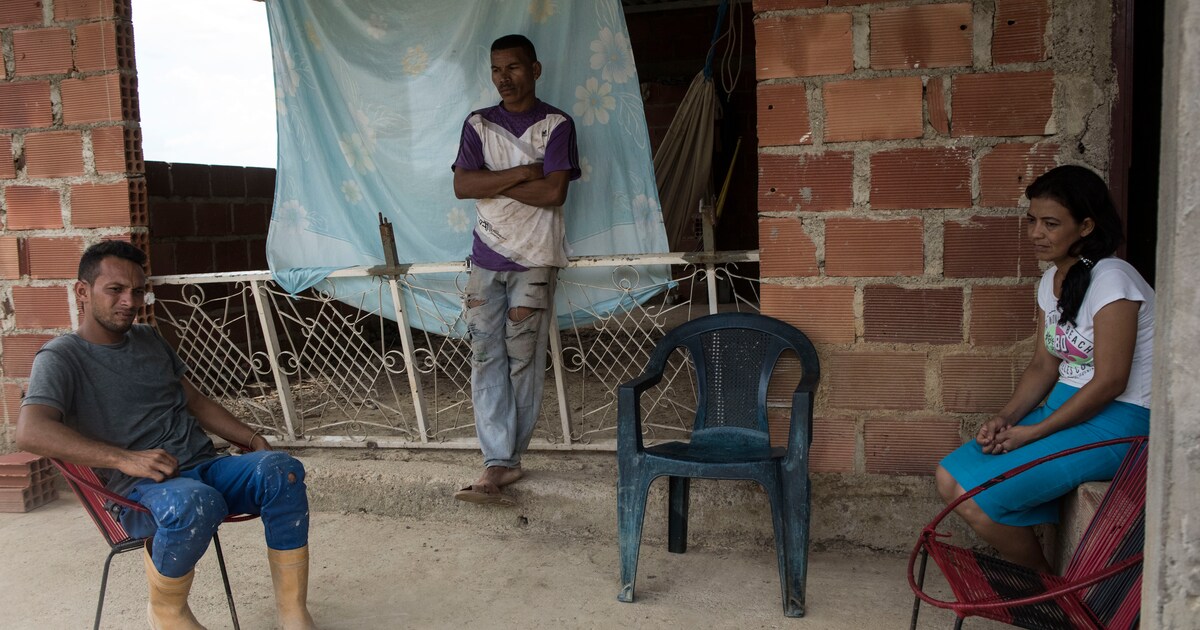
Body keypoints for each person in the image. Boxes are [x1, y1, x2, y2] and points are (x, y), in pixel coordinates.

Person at [15, 241, 316, 630]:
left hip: (203, 468)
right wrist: (126, 458)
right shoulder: (60, 357)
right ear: (82, 291)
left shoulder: (148, 339)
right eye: (116, 290)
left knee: (282, 470)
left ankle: (292, 612)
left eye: (138, 290)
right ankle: (167, 612)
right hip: (140, 493)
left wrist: (251, 437)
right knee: (196, 502)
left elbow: (194, 400)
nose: (130, 301)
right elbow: (30, 431)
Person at [936, 165, 1154, 571]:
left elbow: (1110, 381)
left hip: (1121, 423)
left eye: (1051, 224)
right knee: (948, 477)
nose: (1036, 233)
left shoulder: (1113, 280)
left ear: (1086, 226)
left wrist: (1033, 432)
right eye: (1032, 220)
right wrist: (1006, 417)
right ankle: (1048, 595)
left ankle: (1045, 596)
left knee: (979, 496)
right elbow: (1042, 365)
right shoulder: (1052, 280)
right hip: (1066, 410)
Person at [450, 34, 580, 505]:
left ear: (536, 69)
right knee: (485, 357)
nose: (504, 78)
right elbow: (464, 186)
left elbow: (554, 194)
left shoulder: (556, 124)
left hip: (536, 259)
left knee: (523, 361)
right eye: (496, 70)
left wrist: (494, 183)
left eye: (514, 68)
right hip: (487, 257)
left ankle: (507, 461)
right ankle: (494, 461)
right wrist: (526, 172)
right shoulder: (478, 124)